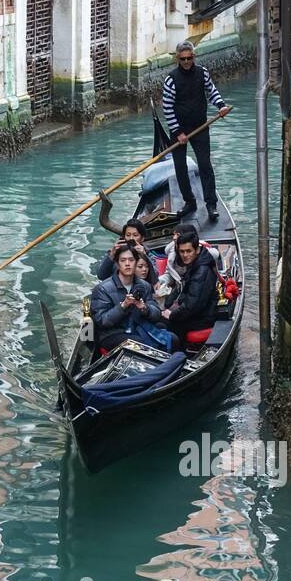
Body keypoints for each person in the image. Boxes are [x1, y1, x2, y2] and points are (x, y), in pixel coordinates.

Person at [161, 41, 228, 224]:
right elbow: (167, 107)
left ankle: (211, 204)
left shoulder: (202, 72)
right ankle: (189, 202)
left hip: (200, 126)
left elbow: (211, 91)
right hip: (178, 130)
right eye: (183, 59)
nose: (187, 62)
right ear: (177, 59)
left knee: (205, 165)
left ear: (194, 56)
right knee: (181, 168)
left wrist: (220, 105)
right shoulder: (171, 79)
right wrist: (178, 132)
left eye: (189, 58)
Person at [88, 244, 160, 354]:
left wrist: (145, 308)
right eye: (123, 260)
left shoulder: (145, 286)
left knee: (172, 338)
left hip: (138, 326)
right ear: (117, 263)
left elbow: (156, 314)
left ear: (136, 262)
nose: (127, 264)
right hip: (112, 333)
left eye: (131, 260)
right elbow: (102, 321)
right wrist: (123, 306)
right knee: (140, 344)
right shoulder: (102, 289)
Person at [159, 229, 220, 342]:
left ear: (197, 250)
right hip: (197, 311)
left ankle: (177, 352)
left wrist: (172, 315)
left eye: (188, 251)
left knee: (161, 324)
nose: (185, 255)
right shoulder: (197, 262)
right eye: (182, 251)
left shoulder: (202, 270)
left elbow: (192, 305)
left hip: (203, 317)